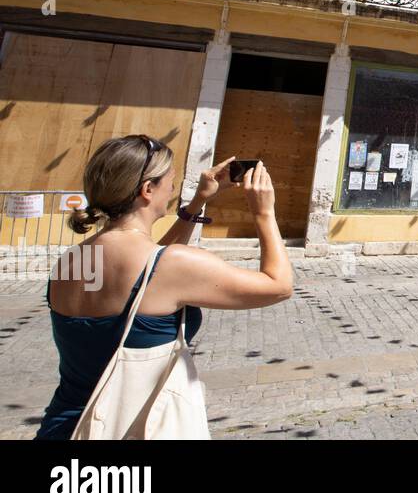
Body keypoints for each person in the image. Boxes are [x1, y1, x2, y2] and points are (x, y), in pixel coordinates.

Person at [36, 135, 294, 440]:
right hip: (132, 430)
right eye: (170, 181)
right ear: (147, 190)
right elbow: (278, 286)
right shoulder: (173, 265)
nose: (172, 189)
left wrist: (199, 201)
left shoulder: (73, 260)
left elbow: (150, 269)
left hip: (66, 427)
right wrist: (264, 212)